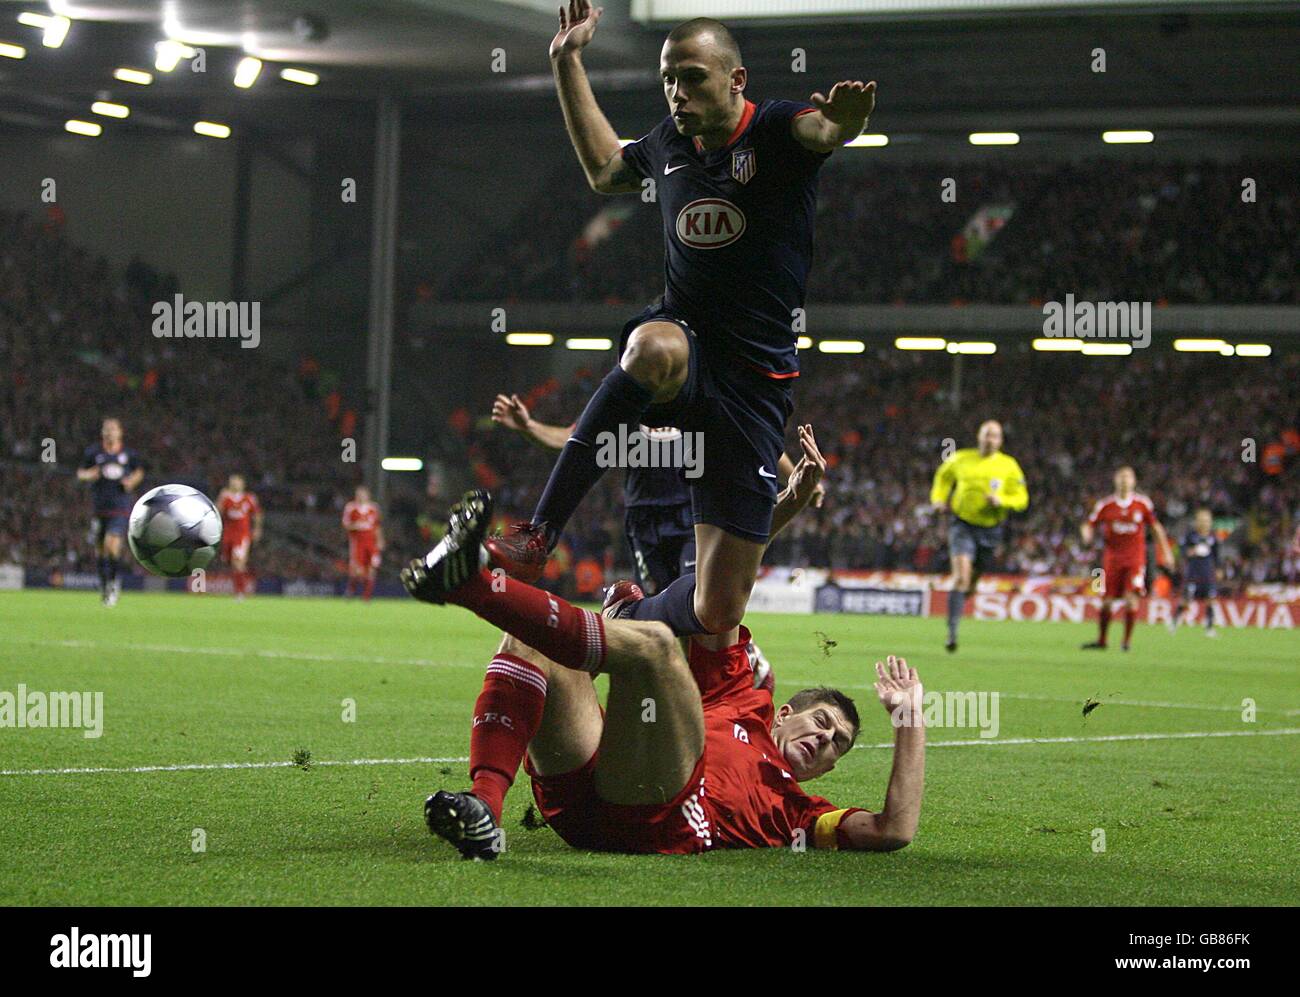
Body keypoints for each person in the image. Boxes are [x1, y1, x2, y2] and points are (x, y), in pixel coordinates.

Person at [485, 6, 873, 645]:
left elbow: (821, 129)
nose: (677, 93)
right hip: (688, 347)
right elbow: (605, 169)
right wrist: (565, 60)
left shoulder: (774, 130)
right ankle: (537, 537)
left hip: (754, 385)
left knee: (718, 609)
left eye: (692, 78)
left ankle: (623, 617)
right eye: (668, 79)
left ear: (736, 79)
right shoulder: (668, 142)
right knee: (651, 346)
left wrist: (843, 122)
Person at [402, 483, 924, 860]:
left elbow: (894, 830)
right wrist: (784, 506)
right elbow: (720, 593)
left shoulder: (802, 814)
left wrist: (909, 719)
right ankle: (486, 810)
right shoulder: (741, 698)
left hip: (658, 815)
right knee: (531, 640)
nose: (825, 737)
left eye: (836, 743)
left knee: (653, 643)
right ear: (784, 713)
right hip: (585, 796)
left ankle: (470, 583)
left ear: (828, 771)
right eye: (824, 721)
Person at [929, 420, 1029, 652]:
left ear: (1000, 440)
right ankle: (952, 632)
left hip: (991, 529)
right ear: (979, 437)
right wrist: (938, 499)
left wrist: (1002, 500)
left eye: (994, 436)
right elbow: (942, 478)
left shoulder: (1009, 466)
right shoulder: (961, 458)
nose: (989, 439)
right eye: (986, 434)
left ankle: (966, 591)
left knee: (971, 583)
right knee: (961, 577)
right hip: (962, 524)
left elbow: (1022, 498)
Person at [1080, 466, 1173, 651]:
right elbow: (1088, 524)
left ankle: (1126, 642)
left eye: (1128, 477)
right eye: (1121, 476)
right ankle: (1102, 640)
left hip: (1135, 560)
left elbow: (1156, 528)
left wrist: (1167, 552)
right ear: (1115, 480)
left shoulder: (1142, 504)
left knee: (1132, 599)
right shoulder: (1105, 505)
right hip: (1110, 561)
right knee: (1106, 602)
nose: (1124, 480)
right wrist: (1086, 536)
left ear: (1134, 481)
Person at [76, 418, 145, 606]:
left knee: (112, 545)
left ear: (120, 432)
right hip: (99, 509)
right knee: (100, 551)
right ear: (102, 432)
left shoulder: (128, 455)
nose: (109, 432)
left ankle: (114, 583)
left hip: (120, 508)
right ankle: (104, 584)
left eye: (113, 429)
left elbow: (139, 472)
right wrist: (88, 475)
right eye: (106, 429)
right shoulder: (93, 452)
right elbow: (80, 472)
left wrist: (132, 482)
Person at [1169, 508, 1220, 637]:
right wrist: (1192, 551)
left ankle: (1209, 628)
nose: (1204, 523)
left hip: (1207, 574)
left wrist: (1219, 569)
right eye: (1202, 520)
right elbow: (1181, 552)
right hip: (1193, 574)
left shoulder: (1213, 538)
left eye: (1207, 521)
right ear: (1197, 522)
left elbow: (1217, 556)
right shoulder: (1190, 536)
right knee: (1186, 600)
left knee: (1210, 600)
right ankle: (1174, 622)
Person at [217, 473, 262, 600]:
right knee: (229, 562)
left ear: (242, 484)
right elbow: (217, 512)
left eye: (236, 481)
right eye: (232, 481)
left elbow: (257, 514)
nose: (234, 484)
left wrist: (257, 529)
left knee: (238, 562)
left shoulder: (249, 498)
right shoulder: (226, 497)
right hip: (227, 534)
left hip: (242, 535)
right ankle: (238, 589)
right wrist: (220, 499)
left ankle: (240, 592)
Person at [342, 485, 384, 600]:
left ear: (368, 495)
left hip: (371, 542)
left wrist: (380, 540)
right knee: (357, 571)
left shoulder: (374, 508)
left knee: (372, 568)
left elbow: (377, 526)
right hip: (357, 542)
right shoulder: (351, 508)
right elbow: (346, 524)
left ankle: (366, 597)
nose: (361, 496)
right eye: (359, 494)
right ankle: (350, 591)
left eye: (363, 494)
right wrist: (356, 526)